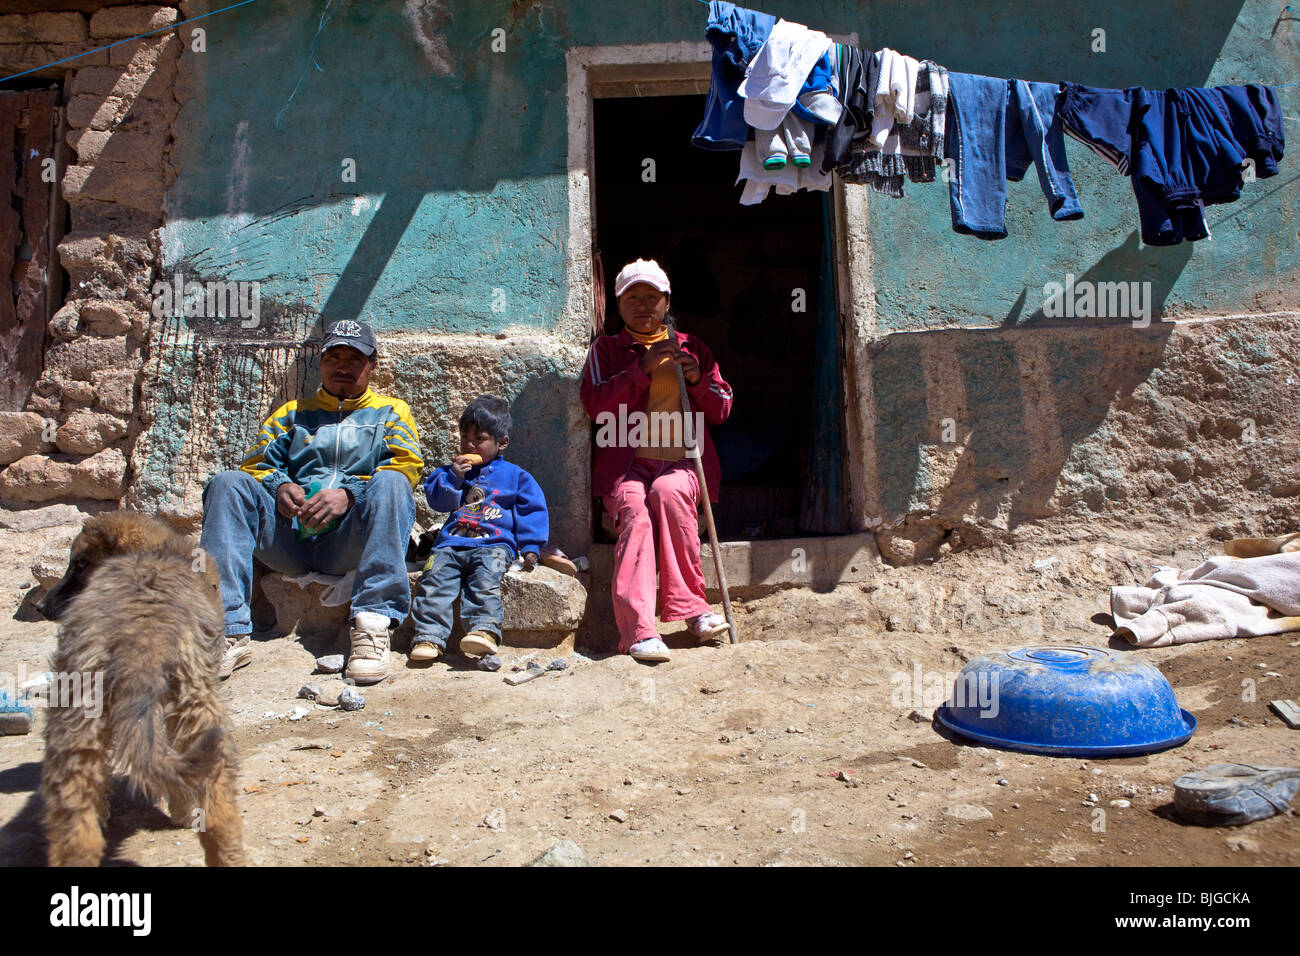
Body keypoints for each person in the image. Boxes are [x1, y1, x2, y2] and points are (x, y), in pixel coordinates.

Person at [199, 319, 423, 684]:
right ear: (320, 363)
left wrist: (349, 494)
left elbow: (407, 464)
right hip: (290, 539)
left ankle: (372, 625)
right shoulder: (292, 413)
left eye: (354, 358)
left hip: (348, 543)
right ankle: (227, 631)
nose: (343, 367)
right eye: (334, 357)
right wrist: (279, 484)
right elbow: (255, 465)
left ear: (372, 365)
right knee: (228, 483)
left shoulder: (391, 412)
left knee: (393, 482)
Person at [580, 258, 734, 662]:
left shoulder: (692, 347)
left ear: (667, 302)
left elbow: (721, 409)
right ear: (619, 305)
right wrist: (640, 370)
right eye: (633, 297)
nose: (643, 305)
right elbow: (595, 405)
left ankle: (693, 609)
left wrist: (699, 381)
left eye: (652, 297)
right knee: (634, 510)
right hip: (625, 466)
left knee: (669, 496)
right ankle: (639, 631)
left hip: (679, 463)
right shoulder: (608, 350)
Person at [408, 395, 548, 661]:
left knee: (484, 582)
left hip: (493, 544)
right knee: (434, 581)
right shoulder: (449, 473)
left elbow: (531, 511)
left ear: (502, 442)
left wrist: (532, 546)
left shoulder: (517, 477)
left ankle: (483, 631)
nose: (469, 445)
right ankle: (428, 636)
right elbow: (437, 502)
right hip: (450, 543)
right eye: (464, 438)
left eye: (478, 439)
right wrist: (454, 477)